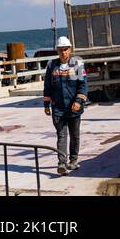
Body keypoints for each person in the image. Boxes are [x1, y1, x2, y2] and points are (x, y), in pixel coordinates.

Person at [44, 36, 88, 175]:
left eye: (66, 49)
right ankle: (62, 163)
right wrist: (46, 104)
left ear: (70, 49)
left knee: (74, 136)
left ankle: (73, 161)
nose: (63, 52)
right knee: (61, 136)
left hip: (74, 108)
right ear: (57, 50)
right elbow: (48, 86)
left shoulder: (77, 64)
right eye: (61, 49)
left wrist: (78, 101)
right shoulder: (52, 65)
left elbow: (83, 86)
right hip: (58, 108)